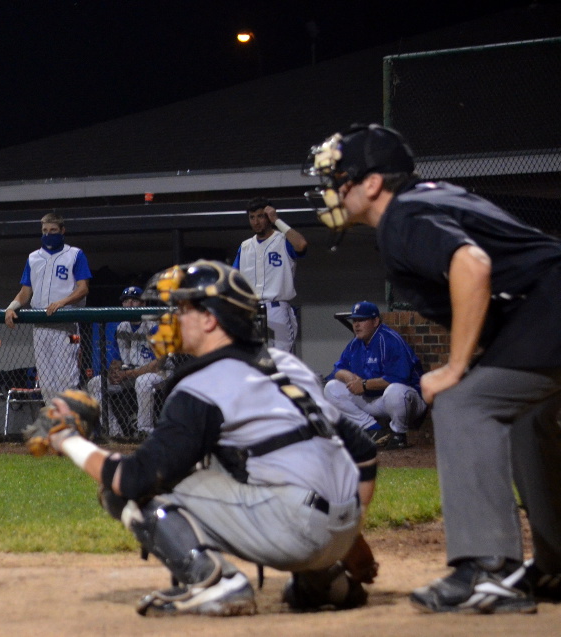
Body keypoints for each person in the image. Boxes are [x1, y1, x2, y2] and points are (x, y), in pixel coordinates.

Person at [306, 123, 561, 613]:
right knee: (528, 420)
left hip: (548, 306)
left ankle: (487, 569)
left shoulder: (402, 215)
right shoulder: (428, 198)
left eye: (340, 179)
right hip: (543, 307)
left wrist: (456, 366)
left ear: (372, 183)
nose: (332, 191)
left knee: (464, 403)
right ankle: (555, 564)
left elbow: (472, 265)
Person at [31, 260, 379, 617]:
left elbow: (134, 478)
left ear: (211, 320)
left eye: (182, 309)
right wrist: (350, 534)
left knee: (126, 491)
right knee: (225, 462)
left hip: (293, 530)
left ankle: (215, 583)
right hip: (342, 529)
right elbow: (364, 451)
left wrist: (66, 439)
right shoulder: (287, 364)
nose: (170, 318)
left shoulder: (203, 383)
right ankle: (325, 582)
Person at [4, 213, 91, 401]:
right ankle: (53, 418)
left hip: (66, 324)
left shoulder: (75, 254)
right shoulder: (33, 257)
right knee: (46, 382)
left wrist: (62, 302)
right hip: (40, 326)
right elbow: (25, 292)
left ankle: (70, 418)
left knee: (67, 380)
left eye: (53, 230)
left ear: (62, 231)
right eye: (45, 230)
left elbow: (83, 288)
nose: (48, 234)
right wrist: (11, 307)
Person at [324, 300, 426, 450]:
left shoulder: (390, 340)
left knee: (395, 391)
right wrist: (349, 377)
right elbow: (338, 369)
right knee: (331, 388)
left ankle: (399, 435)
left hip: (410, 401)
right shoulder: (355, 343)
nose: (356, 325)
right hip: (377, 399)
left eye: (362, 320)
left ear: (375, 321)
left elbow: (399, 378)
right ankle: (373, 430)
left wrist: (364, 385)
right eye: (354, 320)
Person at [86, 286, 166, 438]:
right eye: (126, 301)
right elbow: (116, 359)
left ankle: (145, 430)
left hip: (161, 373)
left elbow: (158, 364)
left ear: (143, 304)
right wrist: (114, 372)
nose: (129, 304)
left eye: (134, 300)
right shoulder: (122, 326)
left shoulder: (154, 326)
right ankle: (114, 432)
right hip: (131, 373)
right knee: (95, 383)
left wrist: (127, 374)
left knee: (143, 381)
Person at [232, 198, 307, 352]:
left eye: (260, 216)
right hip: (251, 310)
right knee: (253, 359)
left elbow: (301, 245)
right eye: (252, 217)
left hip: (276, 308)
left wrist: (277, 220)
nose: (256, 222)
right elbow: (233, 278)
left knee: (281, 360)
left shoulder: (283, 240)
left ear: (269, 217)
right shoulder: (245, 246)